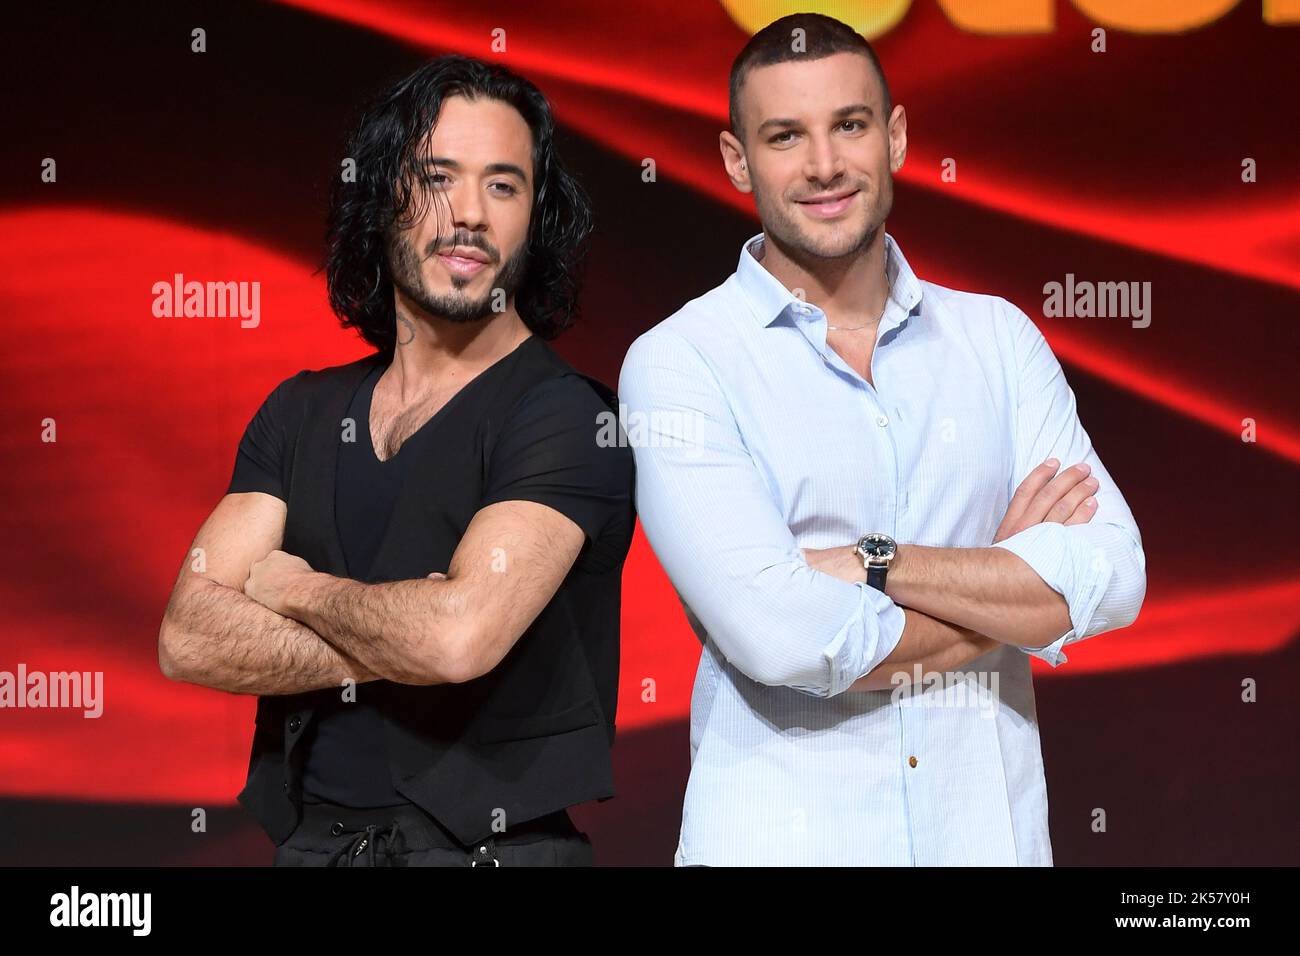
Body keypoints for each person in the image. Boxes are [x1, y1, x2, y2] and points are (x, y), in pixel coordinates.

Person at [619, 13, 1146, 865]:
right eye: (785, 136)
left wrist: (877, 562)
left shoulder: (998, 340)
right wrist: (1006, 581)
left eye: (850, 126)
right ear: (736, 160)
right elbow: (784, 640)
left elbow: (1114, 576)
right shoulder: (681, 363)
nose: (824, 165)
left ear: (896, 137)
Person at [159, 55, 634, 867]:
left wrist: (291, 589)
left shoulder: (567, 418)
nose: (470, 215)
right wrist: (403, 636)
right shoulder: (301, 411)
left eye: (504, 185)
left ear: (537, 217)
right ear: (380, 196)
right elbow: (188, 637)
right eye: (437, 177)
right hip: (312, 850)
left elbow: (457, 642)